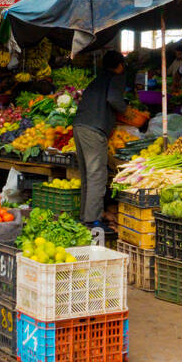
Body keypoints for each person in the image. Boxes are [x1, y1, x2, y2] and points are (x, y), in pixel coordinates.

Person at [73, 50, 127, 229]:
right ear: (120, 66)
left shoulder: (98, 79)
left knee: (87, 175)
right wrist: (127, 110)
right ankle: (93, 221)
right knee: (97, 174)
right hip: (94, 130)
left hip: (79, 126)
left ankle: (85, 216)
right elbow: (114, 99)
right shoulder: (116, 78)